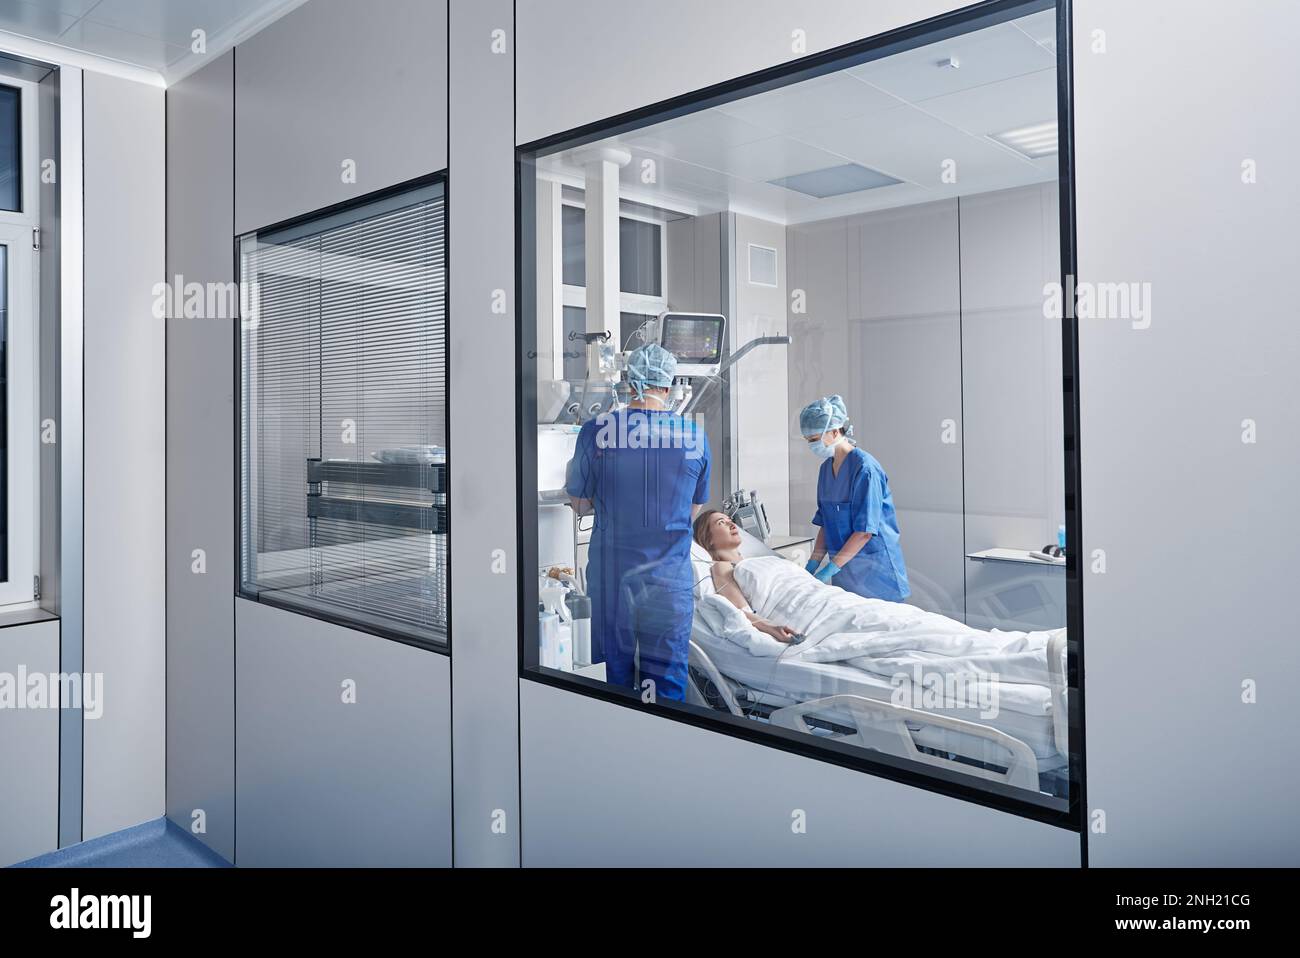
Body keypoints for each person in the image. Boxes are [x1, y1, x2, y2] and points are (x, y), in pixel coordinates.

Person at [566, 343, 711, 701]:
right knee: (665, 685)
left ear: (629, 381)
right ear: (668, 384)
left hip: (614, 579)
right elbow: (692, 510)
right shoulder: (694, 436)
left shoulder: (596, 431)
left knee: (608, 676)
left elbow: (581, 504)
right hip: (668, 581)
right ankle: (660, 750)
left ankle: (610, 748)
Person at [798, 394, 909, 601]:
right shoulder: (825, 470)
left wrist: (829, 570)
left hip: (876, 573)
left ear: (833, 431)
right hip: (846, 572)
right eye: (807, 441)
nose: (811, 445)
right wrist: (813, 564)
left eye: (813, 439)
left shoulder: (865, 469)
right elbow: (826, 524)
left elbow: (864, 532)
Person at [692, 510, 798, 643]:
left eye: (730, 520)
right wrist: (772, 628)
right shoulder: (722, 567)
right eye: (721, 523)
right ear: (709, 539)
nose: (731, 524)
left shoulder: (759, 560)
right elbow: (741, 611)